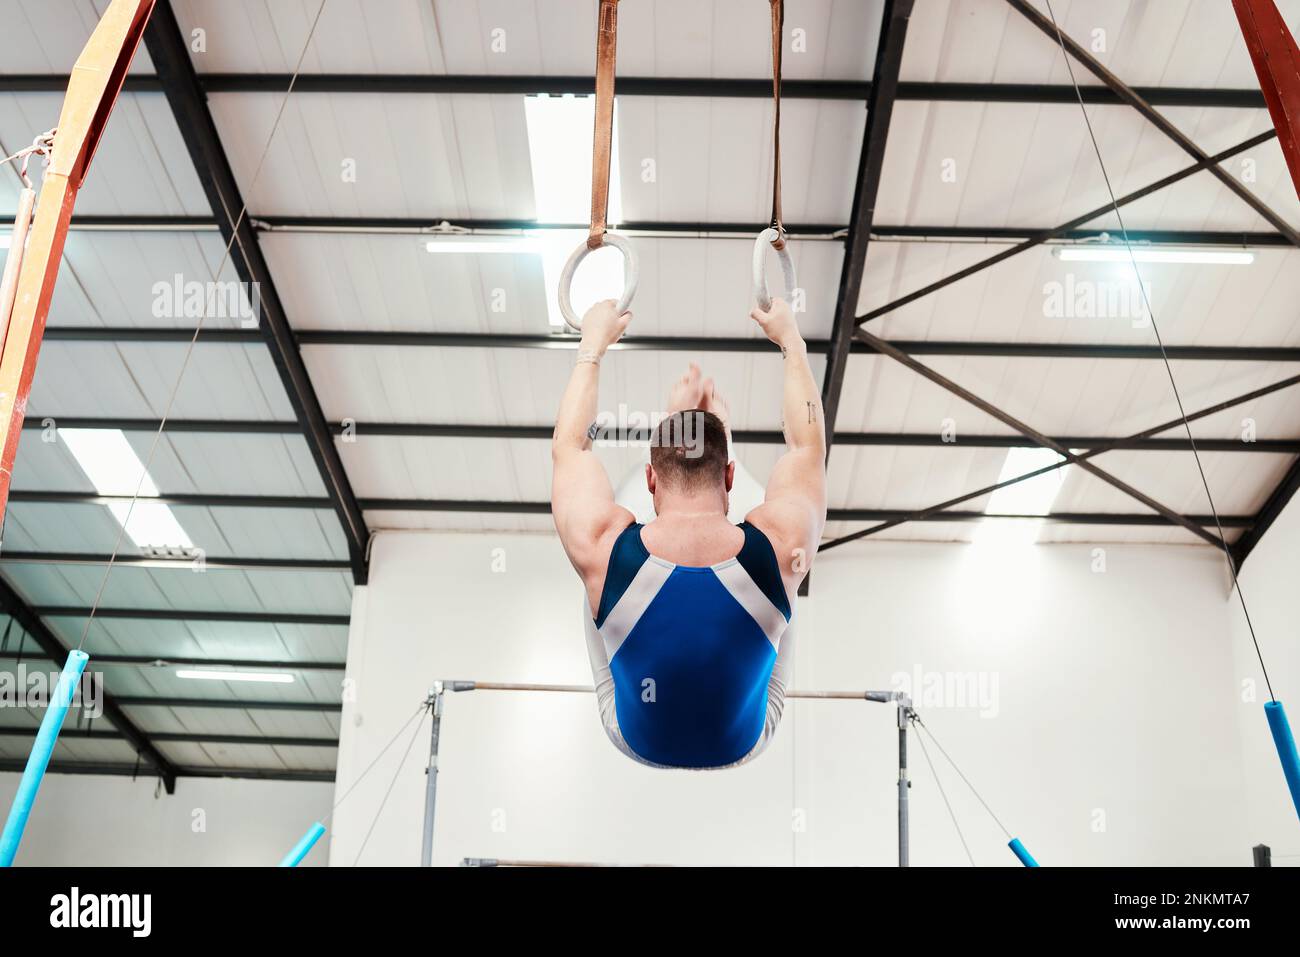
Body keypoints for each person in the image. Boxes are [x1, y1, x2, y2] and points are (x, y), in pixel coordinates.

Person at [551, 298, 827, 768]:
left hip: (635, 736)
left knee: (596, 569)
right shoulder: (780, 541)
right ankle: (698, 438)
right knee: (790, 572)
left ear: (650, 479)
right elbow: (807, 447)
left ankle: (684, 436)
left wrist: (591, 346)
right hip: (744, 740)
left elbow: (570, 447)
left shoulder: (603, 543)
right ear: (731, 479)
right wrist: (792, 343)